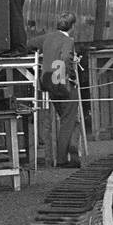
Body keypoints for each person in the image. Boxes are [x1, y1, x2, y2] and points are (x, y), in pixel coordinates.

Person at [38, 12, 81, 167]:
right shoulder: (68, 40)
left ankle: (71, 156)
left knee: (67, 120)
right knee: (69, 121)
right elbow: (65, 58)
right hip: (63, 85)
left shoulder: (47, 38)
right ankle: (64, 159)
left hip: (49, 84)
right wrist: (70, 75)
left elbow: (30, 44)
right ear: (72, 26)